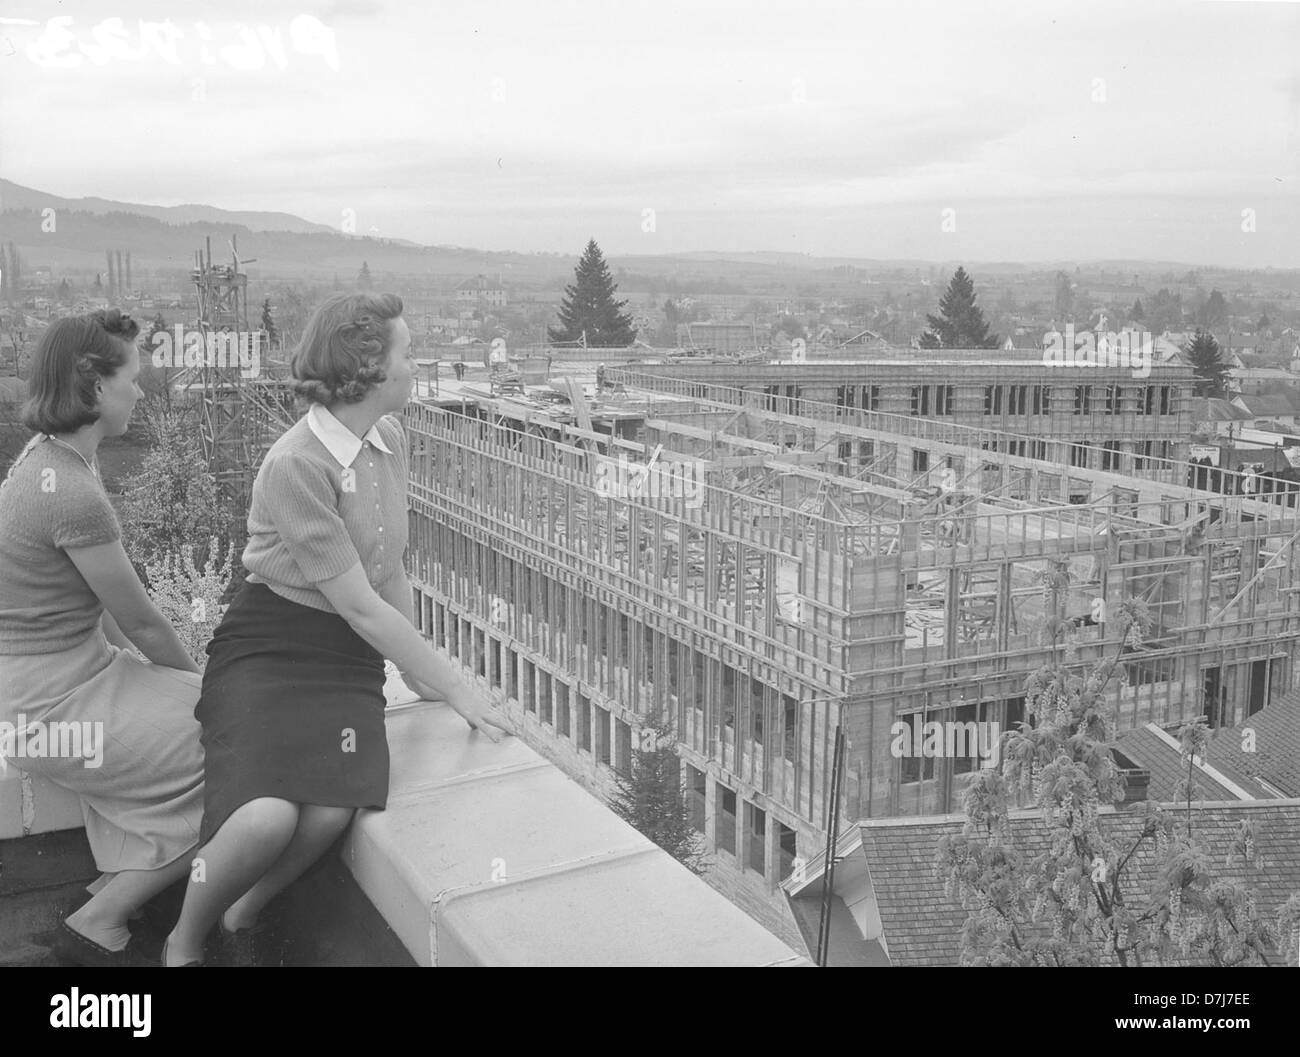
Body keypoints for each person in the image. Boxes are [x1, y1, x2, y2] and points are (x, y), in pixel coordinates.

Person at [162, 292, 512, 967]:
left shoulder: (389, 439)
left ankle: (246, 910)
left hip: (342, 659)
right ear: (368, 370)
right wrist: (459, 688)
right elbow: (359, 603)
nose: (418, 365)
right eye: (408, 353)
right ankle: (183, 938)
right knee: (266, 817)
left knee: (329, 811)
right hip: (272, 647)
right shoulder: (297, 465)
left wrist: (414, 675)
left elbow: (389, 568)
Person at [0, 309, 206, 967]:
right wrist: (205, 687)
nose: (140, 392)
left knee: (210, 717)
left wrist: (163, 679)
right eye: (132, 378)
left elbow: (108, 615)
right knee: (239, 744)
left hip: (66, 677)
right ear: (93, 385)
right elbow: (143, 620)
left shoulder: (51, 461)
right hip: (48, 704)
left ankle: (111, 886)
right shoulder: (70, 491)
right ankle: (100, 919)